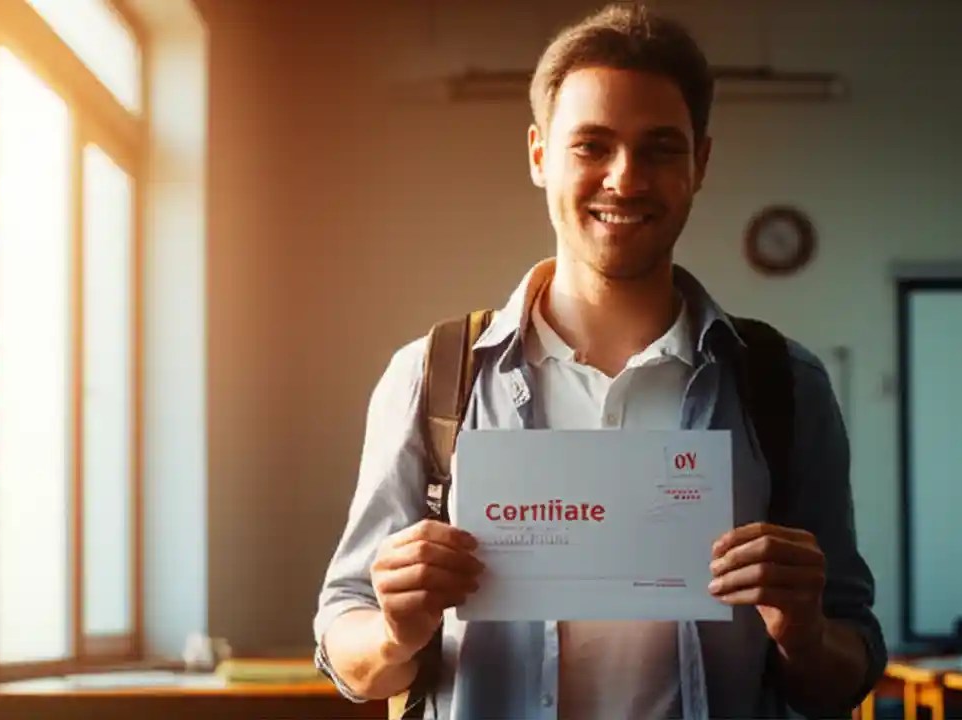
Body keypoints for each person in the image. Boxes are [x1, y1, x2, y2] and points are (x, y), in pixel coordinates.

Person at [313, 4, 886, 718]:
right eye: (591, 145)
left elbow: (849, 660)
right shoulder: (431, 379)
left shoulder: (784, 387)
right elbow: (348, 644)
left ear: (700, 163)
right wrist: (395, 629)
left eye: (660, 148)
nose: (625, 177)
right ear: (538, 155)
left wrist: (805, 633)